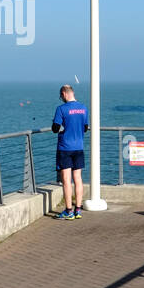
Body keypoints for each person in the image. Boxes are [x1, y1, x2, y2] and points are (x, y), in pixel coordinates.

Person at [51, 84, 89, 220]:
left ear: (64, 93)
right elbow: (85, 127)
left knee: (66, 180)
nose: (61, 98)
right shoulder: (83, 108)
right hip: (79, 147)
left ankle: (68, 211)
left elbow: (55, 128)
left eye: (61, 96)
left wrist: (62, 128)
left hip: (65, 148)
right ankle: (78, 209)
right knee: (78, 179)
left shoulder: (61, 109)